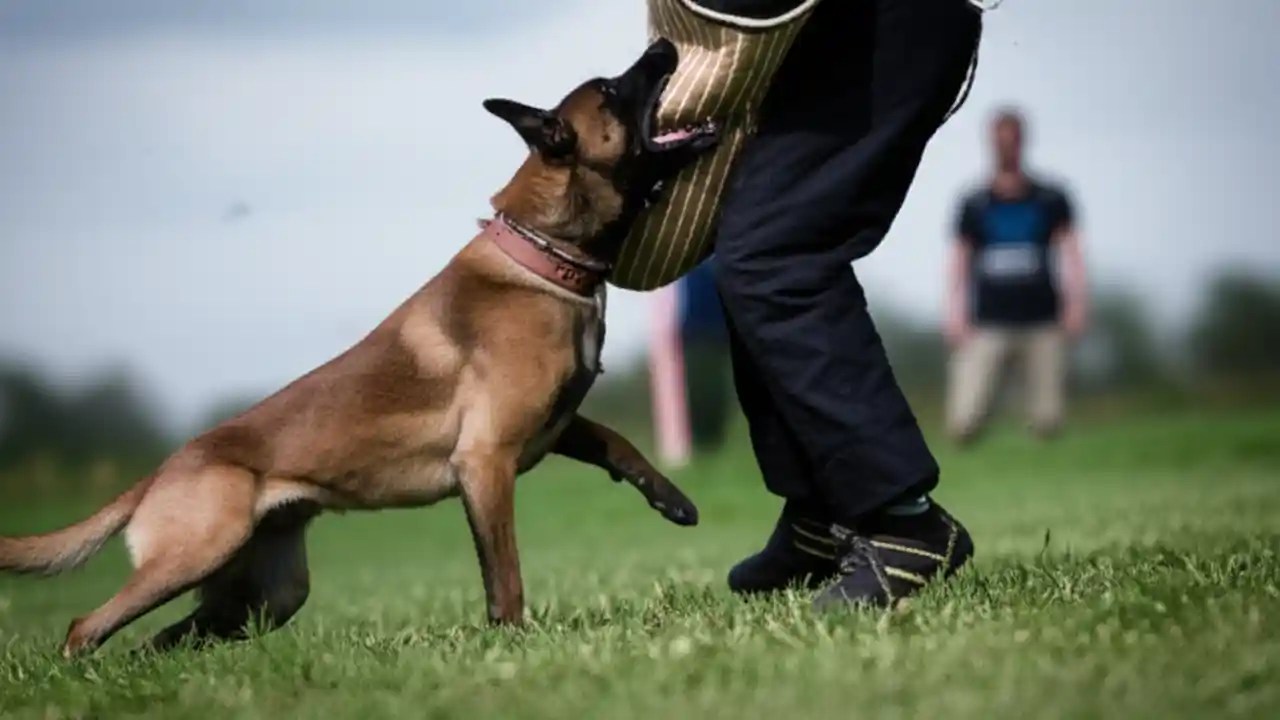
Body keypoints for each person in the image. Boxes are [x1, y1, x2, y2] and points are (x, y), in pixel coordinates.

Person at [712, 0, 984, 608]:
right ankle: (819, 516)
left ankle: (906, 523)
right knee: (745, 252)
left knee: (773, 255)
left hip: (883, 21)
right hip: (832, 29)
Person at [945, 108, 1089, 444]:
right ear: (990, 144)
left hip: (1042, 319)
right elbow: (959, 259)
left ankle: (1047, 470)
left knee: (1048, 420)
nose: (1006, 147)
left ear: (1023, 142)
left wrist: (1077, 303)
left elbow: (1072, 253)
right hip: (989, 320)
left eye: (1012, 140)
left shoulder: (1050, 197)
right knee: (964, 420)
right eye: (1000, 141)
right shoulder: (975, 203)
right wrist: (954, 312)